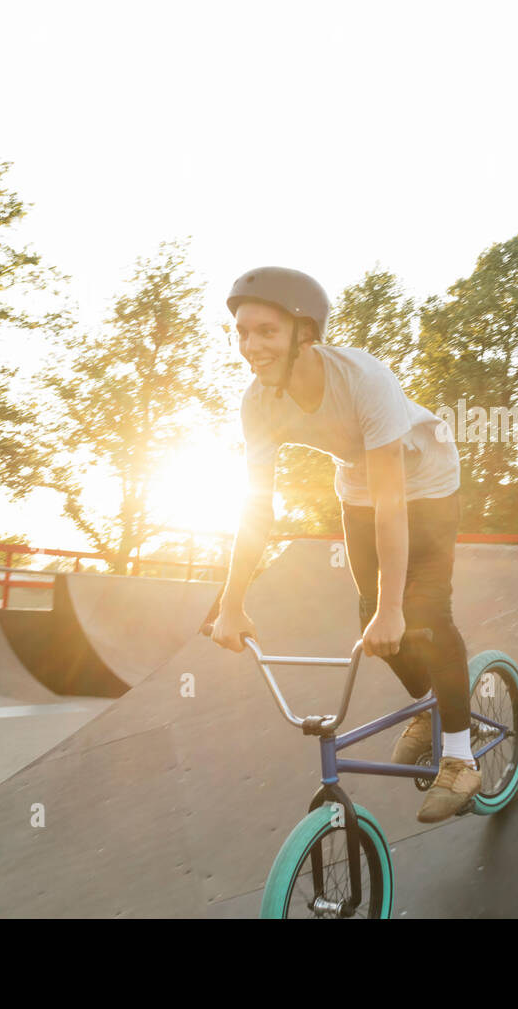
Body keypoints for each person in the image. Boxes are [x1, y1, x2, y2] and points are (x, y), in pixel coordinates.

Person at [208, 266, 479, 822]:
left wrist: (395, 605)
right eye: (241, 332)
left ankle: (459, 753)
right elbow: (258, 507)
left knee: (419, 610)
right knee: (369, 618)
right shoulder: (258, 403)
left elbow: (393, 502)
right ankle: (432, 705)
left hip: (424, 479)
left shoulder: (363, 379)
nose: (249, 346)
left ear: (304, 333)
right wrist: (232, 602)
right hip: (358, 482)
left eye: (266, 332)